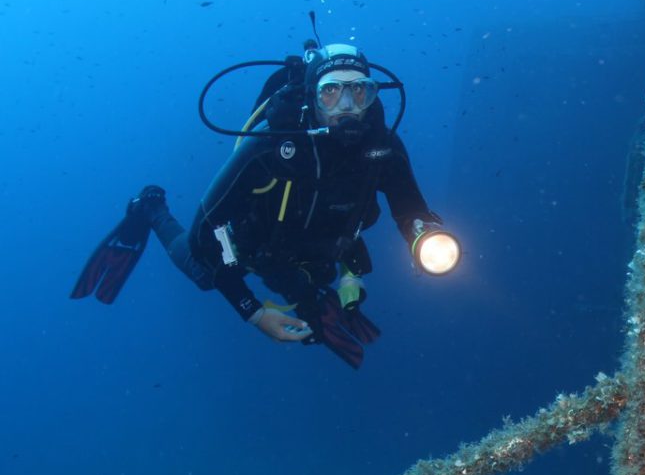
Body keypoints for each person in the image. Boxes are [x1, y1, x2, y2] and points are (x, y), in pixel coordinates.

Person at [72, 41, 460, 368]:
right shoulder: (270, 149)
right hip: (251, 245)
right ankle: (150, 207)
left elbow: (411, 212)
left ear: (373, 95)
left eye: (360, 90)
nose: (346, 104)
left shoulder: (383, 148)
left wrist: (423, 238)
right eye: (331, 91)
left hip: (323, 245)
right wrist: (253, 313)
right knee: (204, 273)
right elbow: (205, 234)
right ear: (312, 96)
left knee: (320, 277)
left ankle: (319, 291)